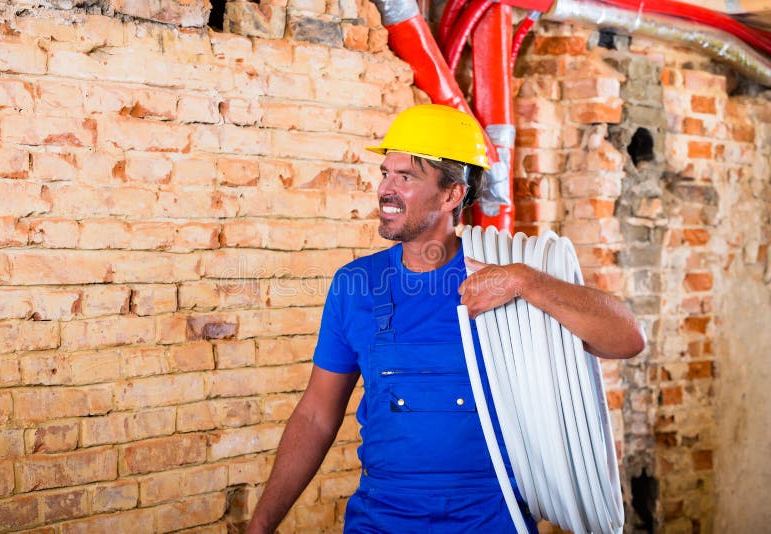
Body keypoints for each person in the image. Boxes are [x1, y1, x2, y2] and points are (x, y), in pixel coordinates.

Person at [246, 104, 646, 533]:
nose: (385, 189)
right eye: (385, 173)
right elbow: (316, 417)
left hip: (491, 519)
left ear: (452, 194)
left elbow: (628, 339)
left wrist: (528, 282)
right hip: (382, 520)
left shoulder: (505, 275)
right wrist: (260, 526)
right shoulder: (356, 285)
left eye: (406, 177)